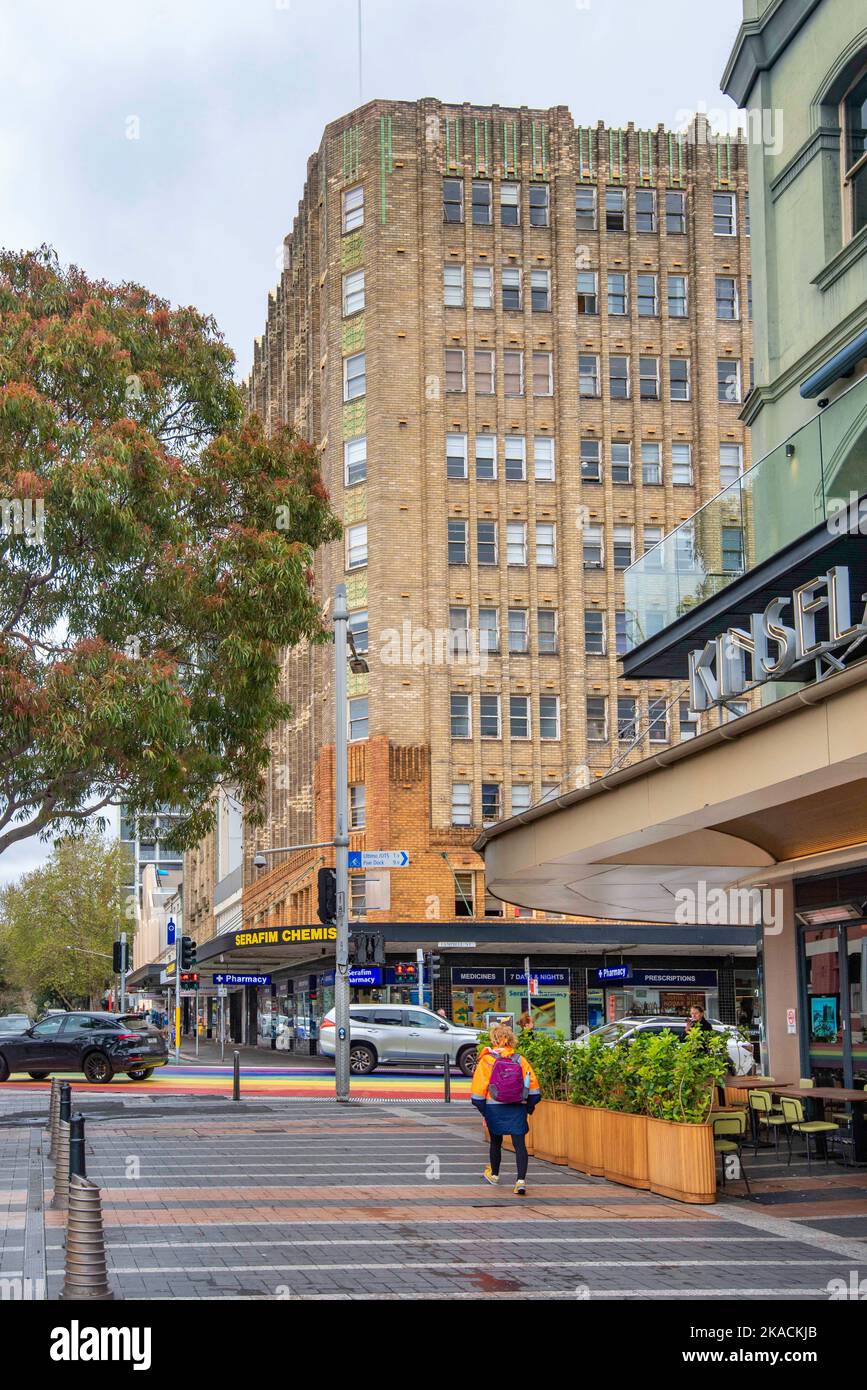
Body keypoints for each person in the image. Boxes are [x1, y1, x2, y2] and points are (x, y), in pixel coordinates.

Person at [471, 1022, 540, 1196]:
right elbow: (534, 1088)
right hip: (517, 1107)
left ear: (494, 1039)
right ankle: (520, 1181)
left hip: (494, 1107)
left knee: (496, 1142)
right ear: (510, 1039)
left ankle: (494, 1174)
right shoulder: (519, 1059)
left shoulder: (486, 1060)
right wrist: (529, 1107)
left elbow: (478, 1093)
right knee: (520, 1145)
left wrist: (484, 1111)